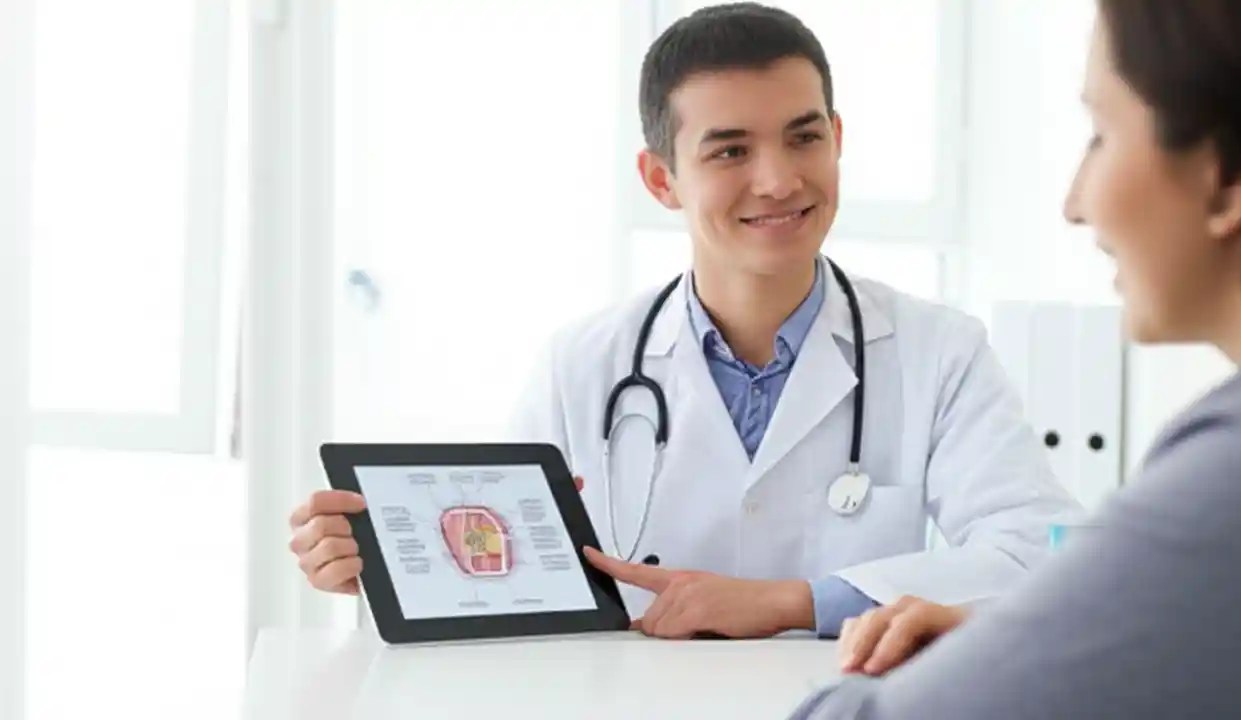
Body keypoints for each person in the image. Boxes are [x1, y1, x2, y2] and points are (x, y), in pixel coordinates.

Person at [288, 2, 1080, 640]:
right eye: (730, 152)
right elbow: (511, 576)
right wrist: (387, 563)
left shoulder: (938, 352)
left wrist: (791, 601)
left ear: (837, 141)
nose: (778, 179)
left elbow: (1038, 556)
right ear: (661, 179)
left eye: (804, 137)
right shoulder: (583, 364)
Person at [791, 0, 1241, 716]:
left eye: (1101, 134)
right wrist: (1015, 643)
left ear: (1227, 177)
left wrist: (1015, 664)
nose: (1074, 204)